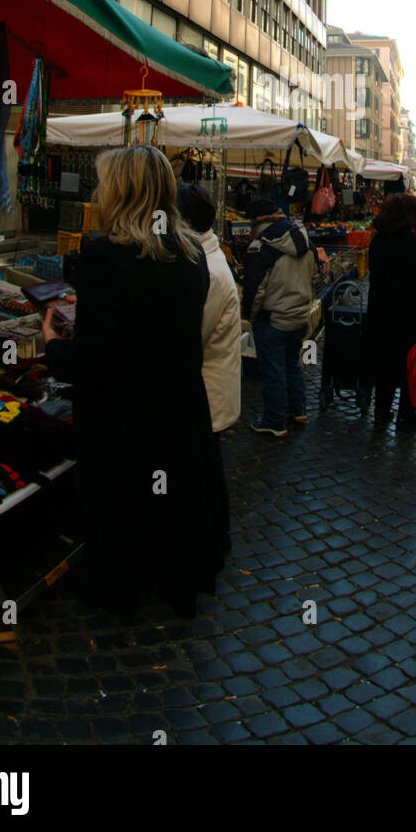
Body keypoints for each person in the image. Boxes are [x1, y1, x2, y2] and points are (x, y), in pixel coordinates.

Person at [41, 145, 227, 617]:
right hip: (179, 410)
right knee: (169, 504)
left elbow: (96, 360)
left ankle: (118, 589)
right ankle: (174, 583)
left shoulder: (106, 256)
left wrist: (53, 346)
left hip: (123, 419)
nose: (98, 191)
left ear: (121, 191)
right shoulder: (191, 256)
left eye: (105, 183)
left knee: (121, 508)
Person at [176, 183, 241, 555]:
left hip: (208, 394)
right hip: (207, 391)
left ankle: (210, 546)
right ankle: (212, 542)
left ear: (185, 220)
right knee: (207, 473)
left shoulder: (210, 271)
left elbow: (192, 336)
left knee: (205, 476)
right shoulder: (206, 261)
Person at [241, 197, 318, 436]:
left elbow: (254, 289)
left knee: (273, 369)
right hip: (300, 315)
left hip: (273, 318)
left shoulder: (261, 246)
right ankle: (298, 409)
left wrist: (249, 318)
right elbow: (315, 275)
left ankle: (274, 420)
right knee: (292, 363)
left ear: (256, 222)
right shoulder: (304, 239)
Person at [365, 193, 416, 431]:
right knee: (409, 367)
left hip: (380, 313)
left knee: (384, 365)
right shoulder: (412, 244)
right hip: (407, 317)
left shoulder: (377, 241)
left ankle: (381, 412)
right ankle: (406, 414)